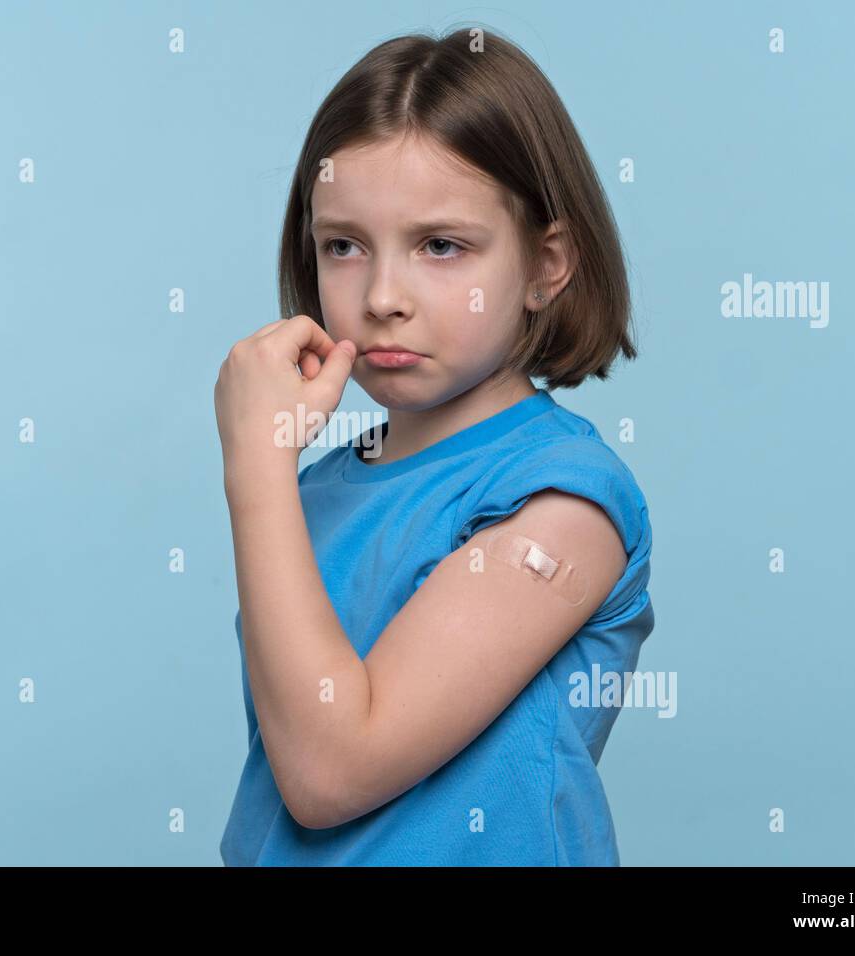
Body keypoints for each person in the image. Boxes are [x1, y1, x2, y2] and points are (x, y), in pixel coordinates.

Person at [213, 26, 653, 865]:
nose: (382, 297)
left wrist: (253, 464)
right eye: (343, 245)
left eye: (441, 246)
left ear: (545, 263)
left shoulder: (562, 504)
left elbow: (328, 771)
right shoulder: (312, 490)